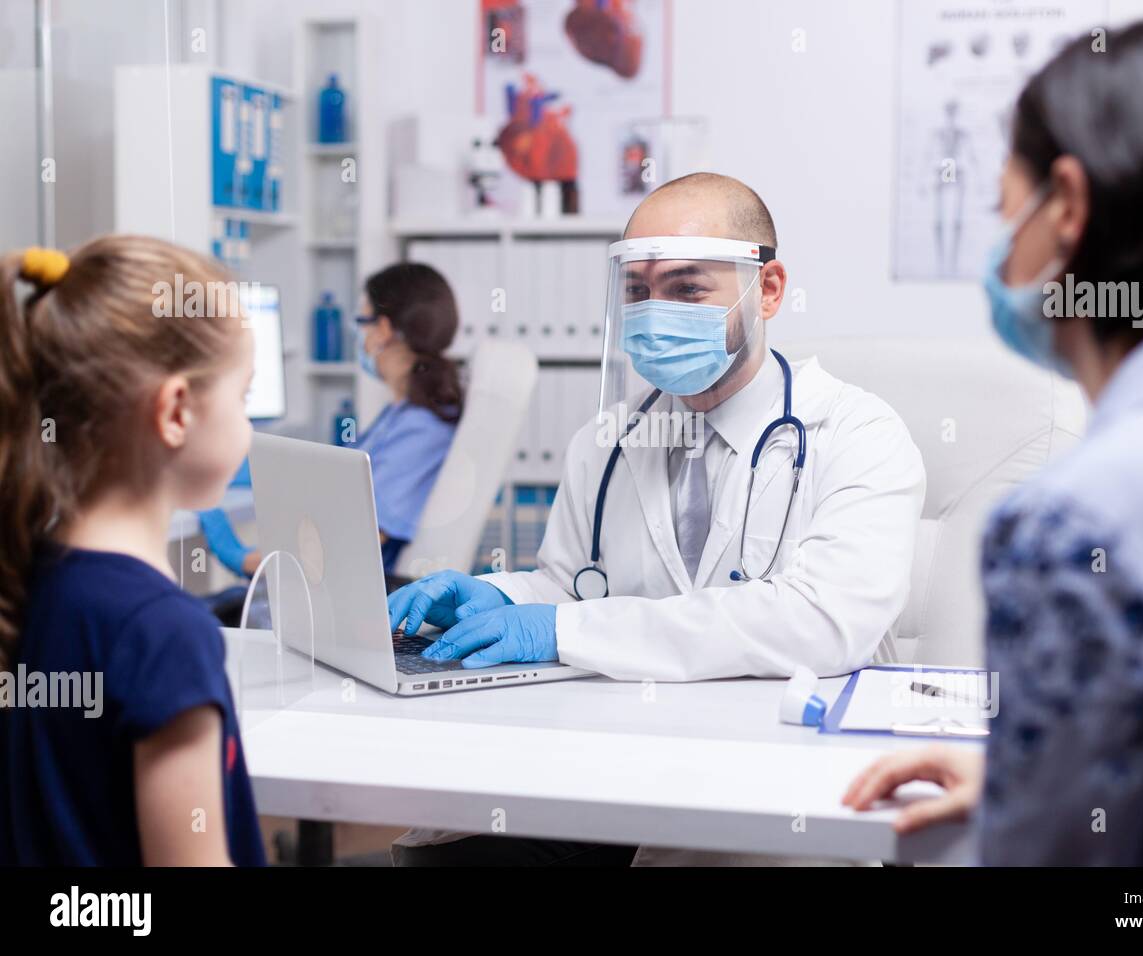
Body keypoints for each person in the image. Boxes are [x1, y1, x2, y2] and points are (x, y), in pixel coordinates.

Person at [843, 20, 1143, 865]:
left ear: (1070, 206)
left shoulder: (1080, 517)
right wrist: (1033, 772)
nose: (1000, 244)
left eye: (1004, 210)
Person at [386, 172, 925, 865]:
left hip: (785, 788)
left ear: (768, 289)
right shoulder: (606, 441)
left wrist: (559, 625)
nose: (653, 312)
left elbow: (821, 624)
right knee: (456, 853)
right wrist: (504, 594)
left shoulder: (858, 434)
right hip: (620, 766)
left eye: (687, 288)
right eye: (637, 291)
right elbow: (574, 588)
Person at [0, 237, 264, 865]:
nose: (250, 423)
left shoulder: (29, 578)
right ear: (176, 410)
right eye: (244, 397)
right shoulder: (166, 635)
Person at [200, 261, 461, 580]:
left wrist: (242, 558)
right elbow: (348, 482)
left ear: (383, 330)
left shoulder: (421, 430)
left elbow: (352, 542)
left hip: (345, 597)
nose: (359, 337)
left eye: (361, 323)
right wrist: (259, 469)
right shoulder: (405, 415)